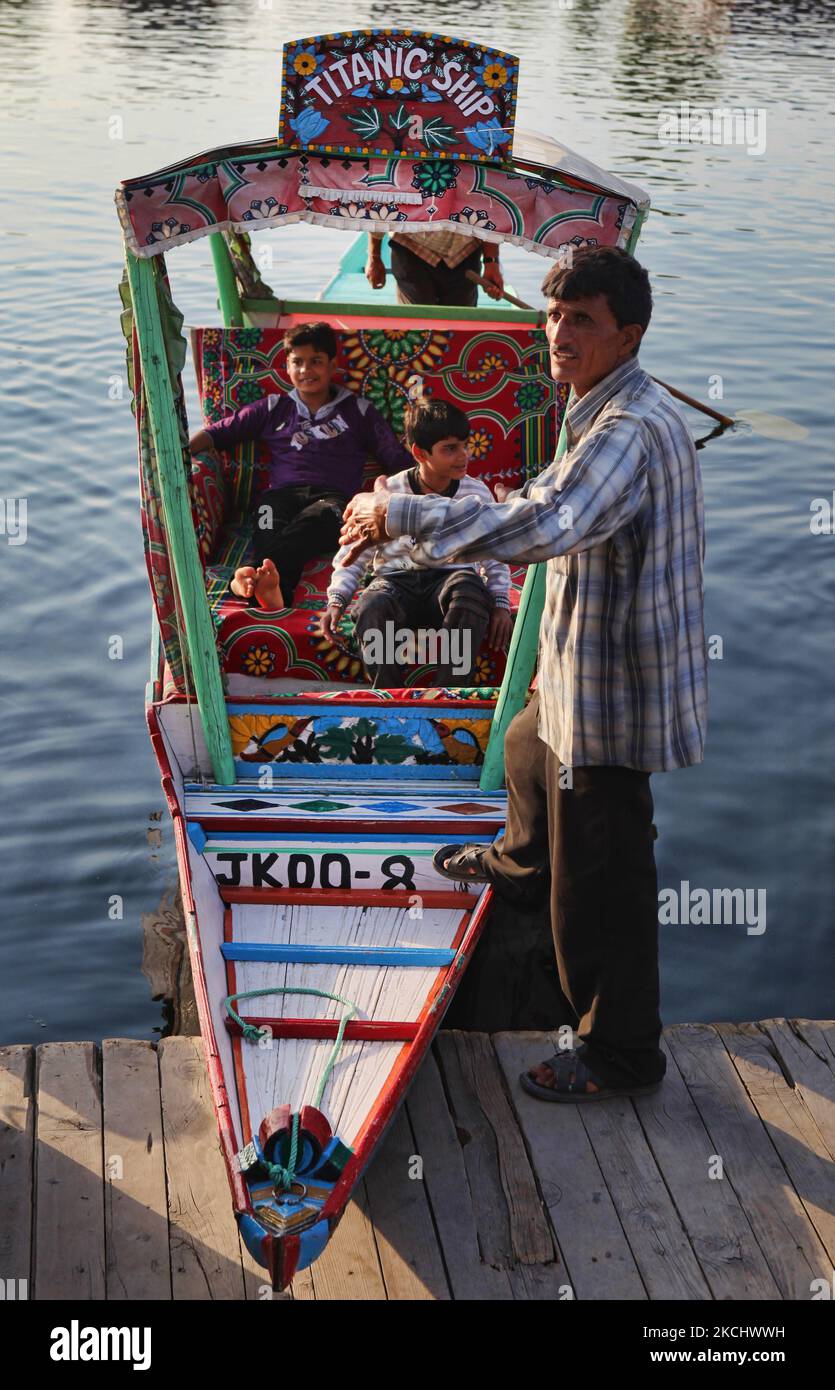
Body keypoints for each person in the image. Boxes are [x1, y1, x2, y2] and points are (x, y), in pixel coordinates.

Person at [339, 246, 707, 1103]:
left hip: (616, 691)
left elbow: (549, 523)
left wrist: (399, 511)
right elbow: (551, 516)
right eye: (553, 314)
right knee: (522, 743)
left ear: (628, 335)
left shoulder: (627, 430)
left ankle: (619, 1053)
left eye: (582, 319)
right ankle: (518, 862)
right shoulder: (594, 410)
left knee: (601, 881)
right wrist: (543, 656)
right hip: (579, 658)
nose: (559, 333)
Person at [188, 321, 412, 609]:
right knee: (267, 526)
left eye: (316, 362)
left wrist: (425, 482)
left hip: (334, 503)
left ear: (332, 365)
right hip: (276, 498)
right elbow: (217, 433)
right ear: (288, 367)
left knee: (307, 528)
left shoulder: (358, 410)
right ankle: (271, 593)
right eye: (298, 363)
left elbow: (394, 457)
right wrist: (176, 456)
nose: (306, 370)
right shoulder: (273, 407)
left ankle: (248, 578)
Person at [321, 397, 513, 688]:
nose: (463, 456)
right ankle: (389, 696)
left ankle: (450, 692)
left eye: (465, 444)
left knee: (470, 593)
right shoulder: (390, 492)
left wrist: (499, 601)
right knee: (372, 606)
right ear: (420, 453)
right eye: (450, 449)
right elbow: (354, 553)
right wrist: (337, 599)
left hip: (451, 579)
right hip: (396, 582)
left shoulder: (476, 493)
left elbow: (495, 551)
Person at [366, 230, 504, 307]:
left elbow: (491, 205)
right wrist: (374, 257)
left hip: (464, 249)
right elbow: (384, 198)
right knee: (417, 327)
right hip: (411, 244)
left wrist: (491, 262)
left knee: (459, 327)